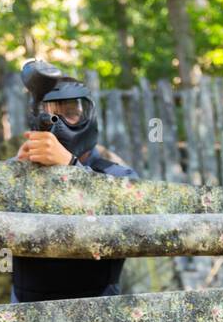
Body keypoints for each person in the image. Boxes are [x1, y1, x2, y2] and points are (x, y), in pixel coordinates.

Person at [11, 65, 138, 303]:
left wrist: (70, 167)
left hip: (97, 308)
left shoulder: (117, 174)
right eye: (51, 114)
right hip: (25, 311)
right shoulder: (21, 172)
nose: (58, 123)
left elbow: (133, 225)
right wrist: (14, 173)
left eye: (71, 112)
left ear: (88, 115)